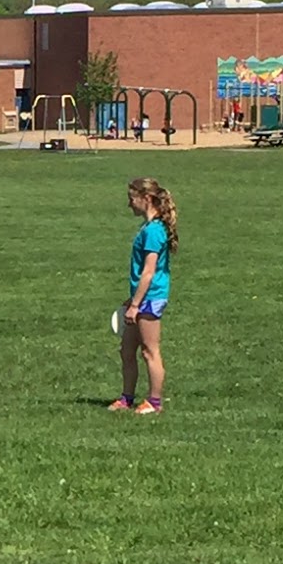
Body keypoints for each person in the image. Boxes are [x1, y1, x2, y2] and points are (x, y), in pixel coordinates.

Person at [108, 176, 178, 416]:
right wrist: (132, 300)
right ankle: (126, 398)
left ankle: (155, 402)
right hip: (141, 299)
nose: (129, 204)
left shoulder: (154, 231)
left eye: (132, 198)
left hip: (150, 299)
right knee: (127, 351)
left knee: (149, 351)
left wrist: (136, 304)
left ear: (146, 198)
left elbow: (148, 272)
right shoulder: (148, 228)